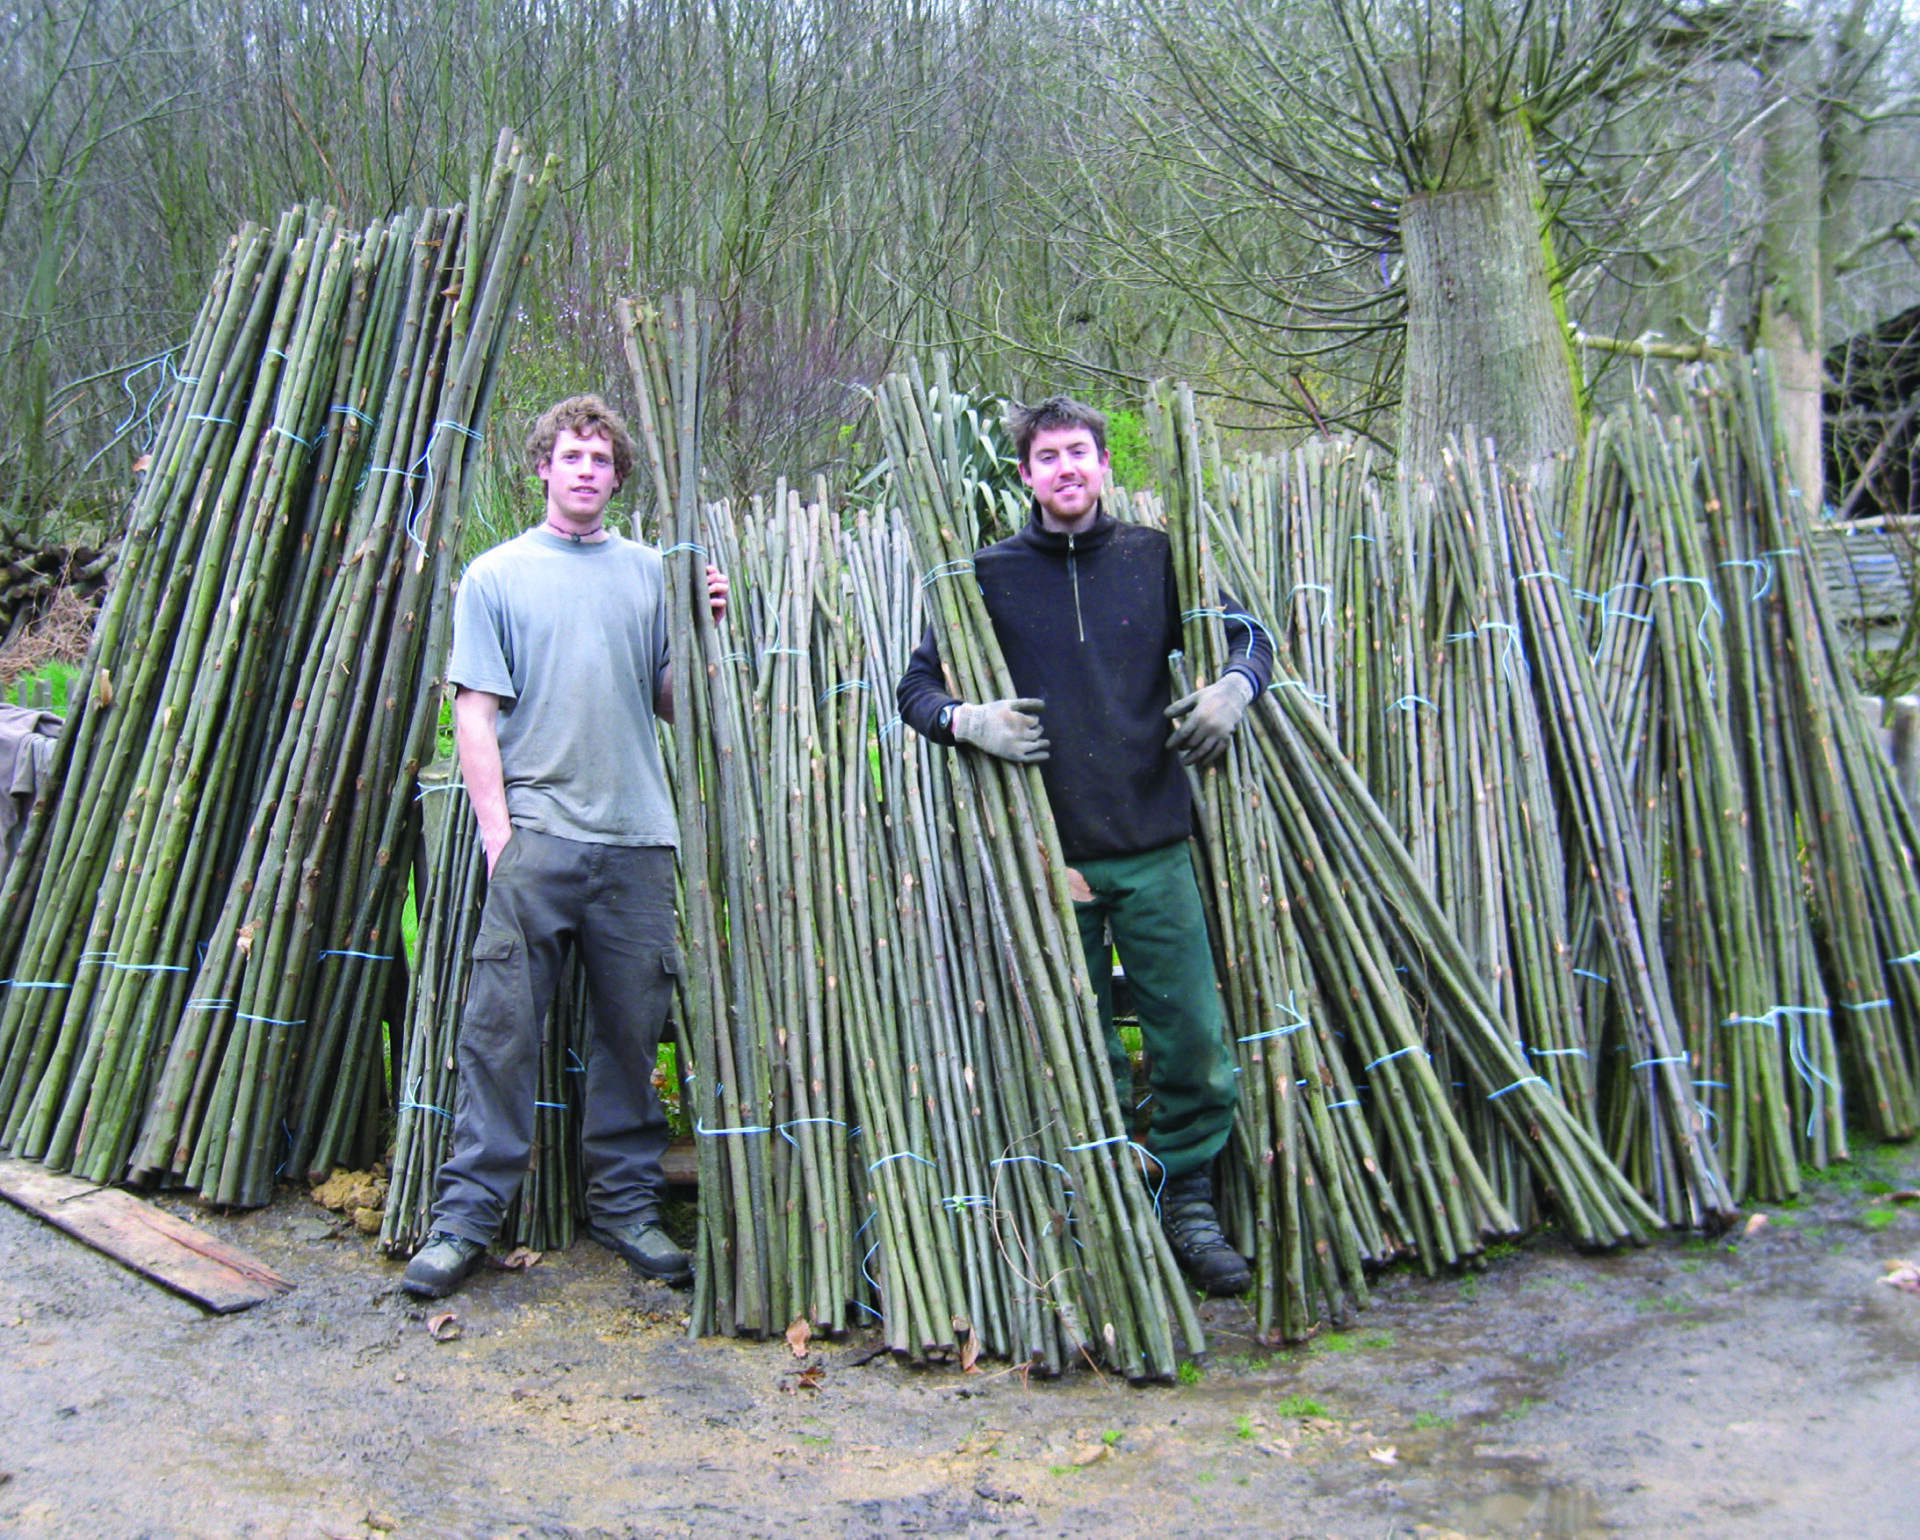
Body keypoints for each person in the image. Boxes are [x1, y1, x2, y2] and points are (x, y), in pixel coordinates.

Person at [895, 395, 1272, 1298]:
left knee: (1189, 1033)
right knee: (1077, 1039)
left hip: (1152, 839)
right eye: (1048, 457)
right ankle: (1101, 1201)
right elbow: (914, 690)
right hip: (1043, 855)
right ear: (1024, 475)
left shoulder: (1158, 558)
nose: (1066, 469)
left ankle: (1186, 1196)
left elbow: (1252, 636)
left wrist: (1234, 688)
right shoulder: (984, 576)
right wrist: (967, 720)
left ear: (1104, 466)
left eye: (1081, 453)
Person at [403, 394, 728, 1299]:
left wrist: (704, 625)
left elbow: (673, 703)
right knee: (500, 1032)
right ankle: (466, 1217)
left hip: (638, 839)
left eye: (601, 458)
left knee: (632, 1033)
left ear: (619, 476)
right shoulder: (496, 575)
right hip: (537, 839)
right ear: (542, 467)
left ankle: (627, 1207)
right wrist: (499, 834)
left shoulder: (650, 575)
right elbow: (474, 710)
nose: (585, 469)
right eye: (569, 455)